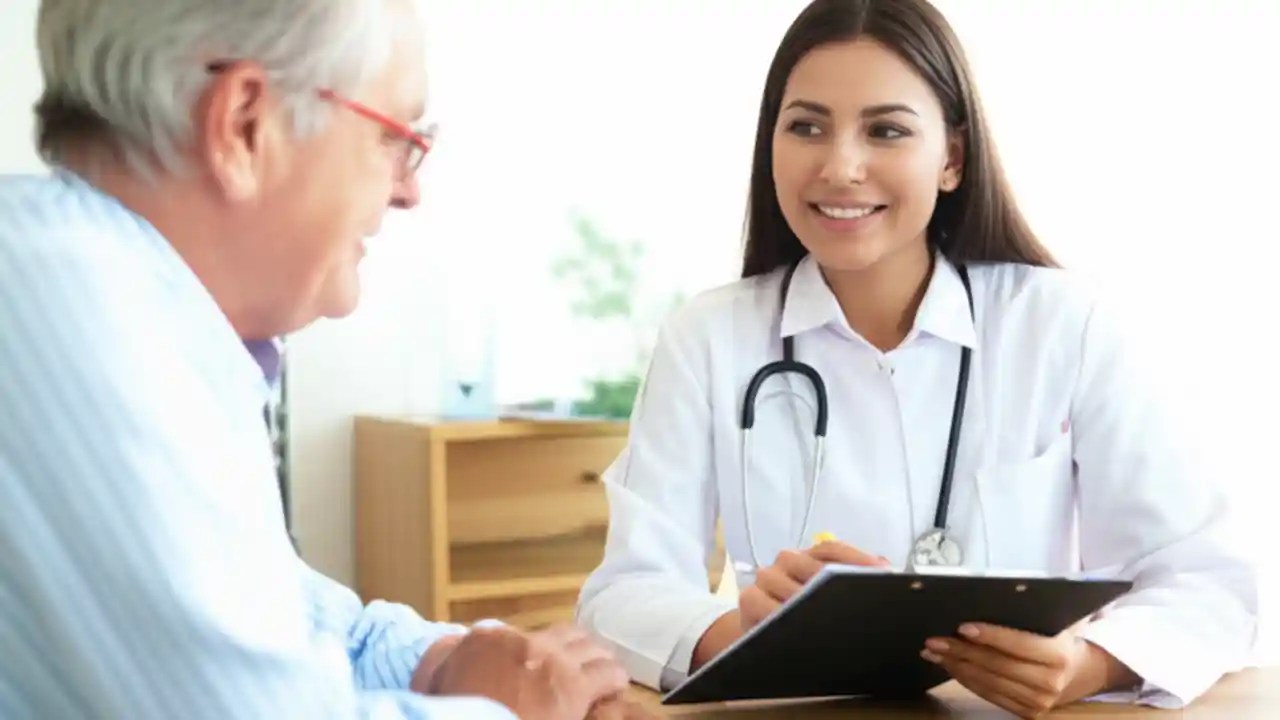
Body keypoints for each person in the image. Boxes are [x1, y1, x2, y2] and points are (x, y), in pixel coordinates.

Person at [575, 0, 1257, 716]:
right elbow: (622, 595)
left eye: (886, 130)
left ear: (952, 159)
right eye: (806, 126)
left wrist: (1086, 665)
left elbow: (1205, 579)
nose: (840, 166)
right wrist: (746, 635)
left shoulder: (1062, 325)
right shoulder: (708, 338)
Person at [0, 1, 642, 719]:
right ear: (245, 125)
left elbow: (297, 620)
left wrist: (444, 662)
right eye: (394, 138)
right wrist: (514, 707)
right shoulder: (71, 306)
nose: (408, 189)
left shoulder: (127, 305)